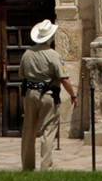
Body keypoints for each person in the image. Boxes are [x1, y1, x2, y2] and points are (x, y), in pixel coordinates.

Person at [20, 19, 77, 171]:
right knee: (48, 130)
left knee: (28, 130)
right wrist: (73, 95)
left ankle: (27, 166)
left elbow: (22, 75)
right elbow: (64, 78)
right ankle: (46, 166)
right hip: (48, 95)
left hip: (30, 94)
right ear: (50, 38)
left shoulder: (27, 54)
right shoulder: (53, 55)